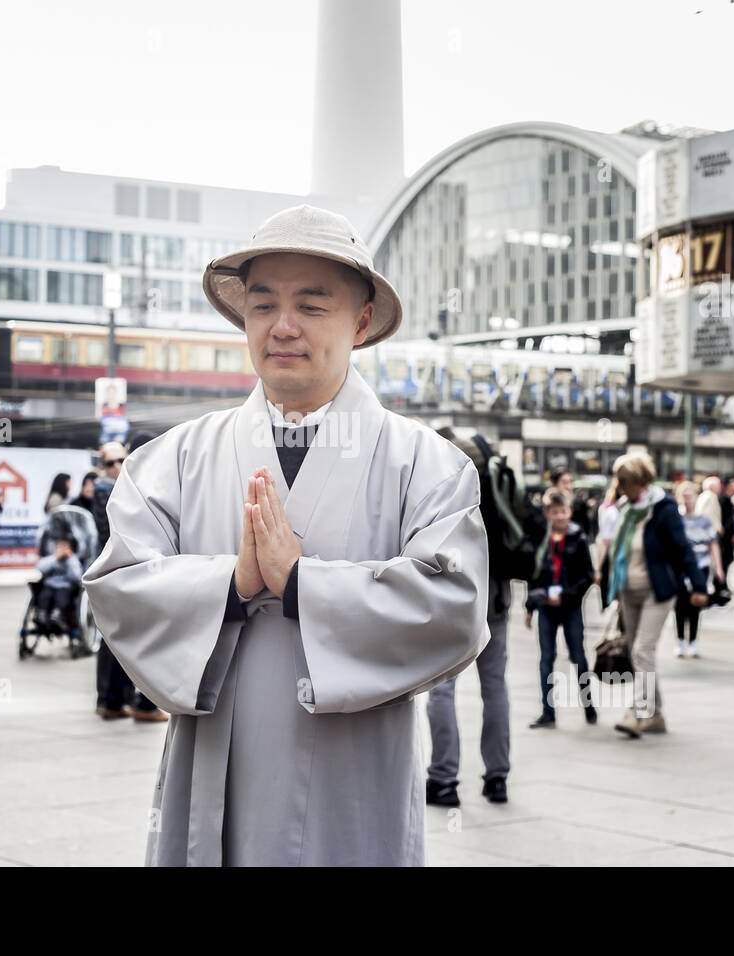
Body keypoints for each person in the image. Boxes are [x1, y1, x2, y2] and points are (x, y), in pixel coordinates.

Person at [83, 204, 489, 866]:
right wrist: (234, 583)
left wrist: (303, 583)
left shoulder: (426, 464)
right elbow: (118, 589)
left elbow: (456, 608)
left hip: (352, 771)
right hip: (217, 764)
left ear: (361, 322)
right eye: (263, 303)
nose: (283, 326)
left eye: (312, 304)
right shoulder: (172, 459)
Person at [426, 430, 513, 806]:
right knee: (494, 686)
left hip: (453, 597)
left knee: (442, 689)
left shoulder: (442, 472)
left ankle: (443, 779)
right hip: (496, 595)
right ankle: (498, 778)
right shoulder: (491, 469)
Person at [598, 453, 708, 738]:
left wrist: (698, 586)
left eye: (625, 482)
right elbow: (615, 551)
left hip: (656, 592)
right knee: (638, 655)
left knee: (641, 651)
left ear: (640, 481)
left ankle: (637, 713)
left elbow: (683, 549)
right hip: (628, 592)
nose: (620, 488)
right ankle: (656, 714)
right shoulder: (623, 508)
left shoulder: (663, 509)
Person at [90, 440, 164, 721]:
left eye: (121, 460)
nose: (117, 467)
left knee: (123, 636)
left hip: (127, 571)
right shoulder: (106, 489)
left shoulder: (129, 486)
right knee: (124, 637)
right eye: (110, 463)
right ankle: (123, 701)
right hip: (119, 572)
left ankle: (119, 700)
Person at [524, 487, 596, 729]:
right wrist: (531, 605)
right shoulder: (540, 540)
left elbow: (587, 576)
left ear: (570, 512)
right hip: (546, 606)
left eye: (563, 511)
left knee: (578, 656)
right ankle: (548, 712)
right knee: (546, 659)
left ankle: (589, 706)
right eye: (555, 512)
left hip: (570, 605)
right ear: (547, 514)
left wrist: (566, 595)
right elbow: (532, 574)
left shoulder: (579, 538)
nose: (560, 517)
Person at [674, 480, 724, 658]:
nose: (687, 500)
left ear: (696, 497)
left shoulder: (704, 521)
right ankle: (680, 640)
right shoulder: (676, 520)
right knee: (680, 605)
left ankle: (693, 641)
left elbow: (713, 544)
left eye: (690, 496)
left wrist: (718, 568)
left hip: (700, 566)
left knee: (696, 604)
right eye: (684, 496)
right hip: (680, 569)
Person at [35, 537, 83, 630]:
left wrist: (69, 560)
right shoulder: (51, 558)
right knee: (45, 596)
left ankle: (58, 615)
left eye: (65, 547)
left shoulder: (73, 560)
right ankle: (42, 614)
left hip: (65, 586)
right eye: (60, 547)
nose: (62, 550)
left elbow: (76, 576)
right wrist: (55, 559)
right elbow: (40, 568)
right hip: (50, 585)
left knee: (62, 597)